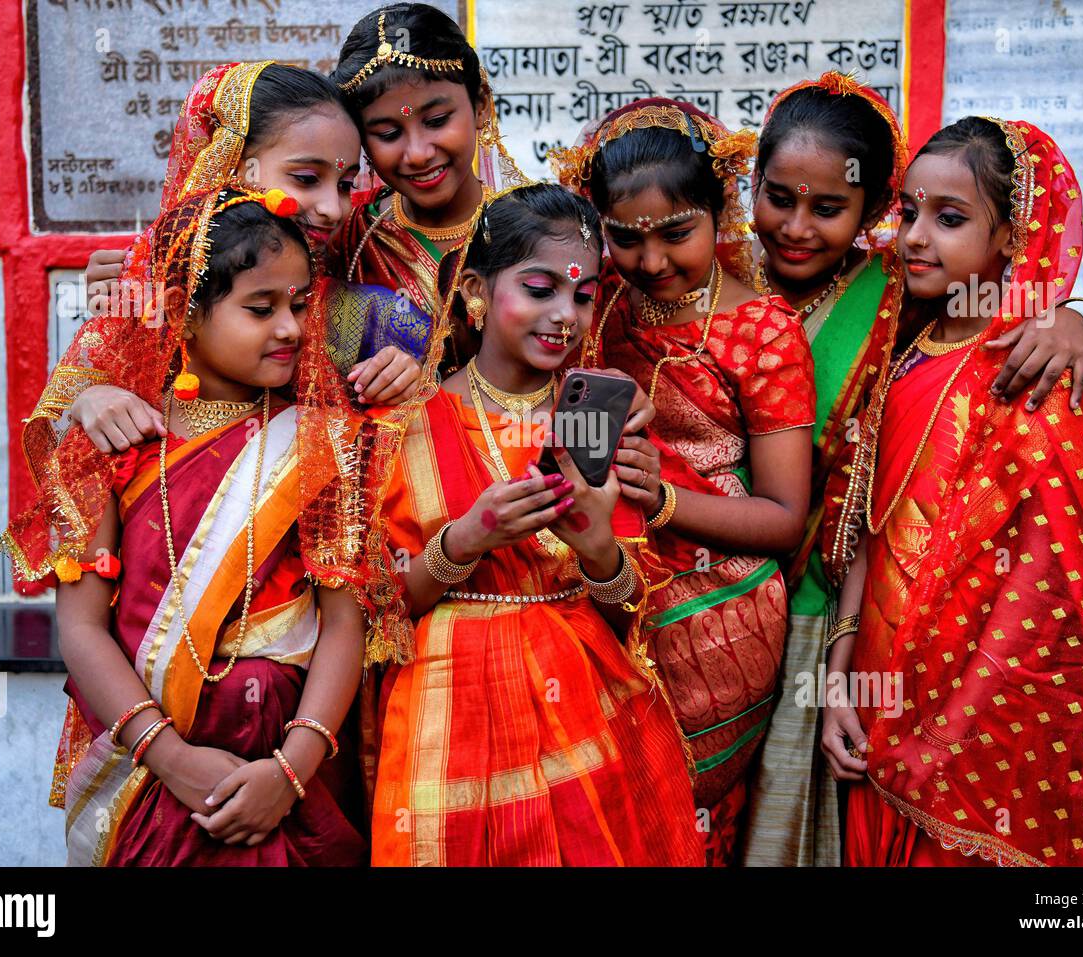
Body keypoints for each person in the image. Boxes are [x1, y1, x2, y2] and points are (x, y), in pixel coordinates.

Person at [824, 116, 1083, 866]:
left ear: (1014, 237)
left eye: (950, 219)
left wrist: (1073, 317)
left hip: (982, 729)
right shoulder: (900, 345)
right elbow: (869, 525)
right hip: (875, 699)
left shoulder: (1036, 370)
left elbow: (1053, 590)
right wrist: (838, 678)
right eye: (910, 211)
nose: (916, 237)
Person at [0, 188, 372, 865]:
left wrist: (290, 771)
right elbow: (81, 627)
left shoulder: (321, 444)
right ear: (183, 314)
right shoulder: (109, 445)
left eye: (298, 305)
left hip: (292, 779)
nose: (289, 328)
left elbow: (346, 622)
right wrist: (169, 757)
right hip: (155, 778)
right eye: (260, 309)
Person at [370, 183, 703, 866]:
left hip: (587, 707)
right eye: (540, 288)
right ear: (475, 291)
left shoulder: (601, 420)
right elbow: (377, 613)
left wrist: (599, 551)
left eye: (583, 296)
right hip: (444, 715)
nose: (565, 316)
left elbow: (637, 615)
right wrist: (463, 541)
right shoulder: (404, 424)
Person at [553, 99, 814, 865]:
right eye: (625, 239)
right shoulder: (591, 309)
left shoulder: (762, 328)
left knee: (680, 818)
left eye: (677, 233)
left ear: (720, 211)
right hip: (600, 582)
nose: (654, 260)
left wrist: (663, 499)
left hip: (718, 609)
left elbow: (784, 517)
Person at [42, 62, 428, 463]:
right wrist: (88, 403)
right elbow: (64, 456)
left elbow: (445, 421)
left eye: (346, 185)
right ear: (231, 165)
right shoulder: (148, 294)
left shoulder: (369, 316)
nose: (333, 208)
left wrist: (409, 379)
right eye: (306, 179)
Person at [331, 2, 529, 374]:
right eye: (388, 134)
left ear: (481, 105)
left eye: (437, 121)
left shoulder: (535, 232)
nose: (418, 154)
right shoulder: (349, 239)